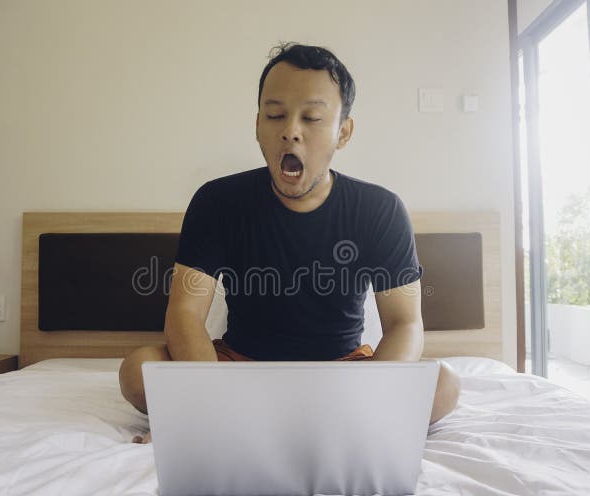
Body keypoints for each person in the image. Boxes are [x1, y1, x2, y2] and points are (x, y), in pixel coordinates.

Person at [120, 43, 460, 444]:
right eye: (275, 114)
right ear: (258, 125)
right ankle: (272, 420)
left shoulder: (381, 209)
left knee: (444, 385)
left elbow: (405, 323)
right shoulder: (215, 201)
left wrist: (372, 395)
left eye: (312, 117)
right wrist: (209, 398)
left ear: (343, 132)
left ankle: (312, 420)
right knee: (137, 369)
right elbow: (184, 312)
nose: (290, 131)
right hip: (238, 368)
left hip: (342, 372)